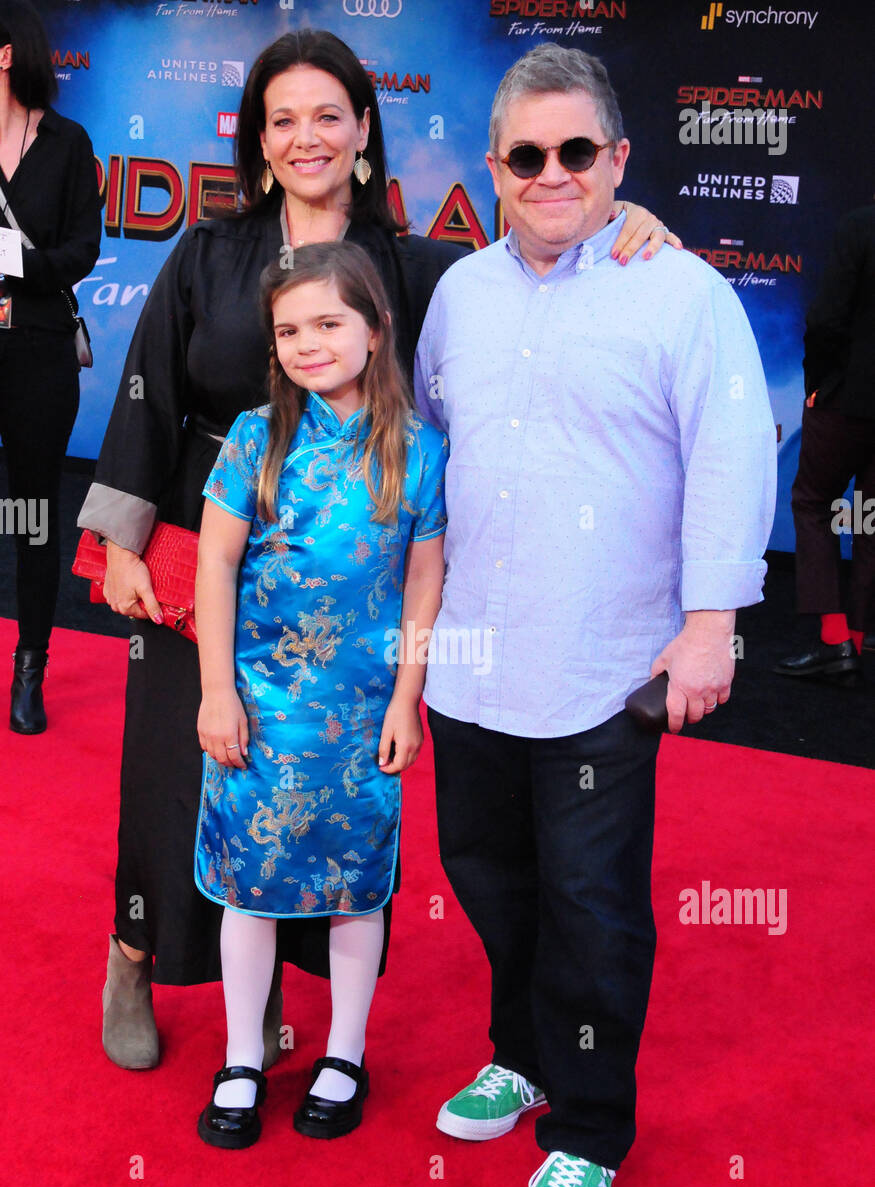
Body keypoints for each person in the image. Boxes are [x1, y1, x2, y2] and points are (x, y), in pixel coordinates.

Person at [75, 28, 675, 1075]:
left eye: (326, 116)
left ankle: (254, 997)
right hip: (209, 561)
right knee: (182, 771)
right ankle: (135, 949)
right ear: (257, 144)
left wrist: (619, 220)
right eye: (281, 120)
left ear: (362, 131)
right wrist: (118, 539)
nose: (304, 138)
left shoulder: (419, 266)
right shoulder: (208, 254)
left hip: (347, 590)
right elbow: (147, 393)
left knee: (314, 793)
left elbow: (535, 254)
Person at [414, 43, 776, 1187]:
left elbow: (732, 458)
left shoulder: (680, 292)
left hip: (604, 671)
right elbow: (427, 444)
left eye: (578, 150)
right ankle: (519, 1055)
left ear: (618, 159)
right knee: (484, 873)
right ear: (496, 169)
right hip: (470, 663)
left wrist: (710, 623)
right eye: (528, 154)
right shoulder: (459, 292)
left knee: (592, 905)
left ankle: (585, 1130)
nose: (553, 172)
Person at [194, 241, 447, 1145]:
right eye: (288, 330)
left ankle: (344, 1051)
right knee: (246, 888)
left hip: (362, 716)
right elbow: (215, 566)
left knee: (356, 890)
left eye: (329, 323)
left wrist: (406, 698)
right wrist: (216, 690)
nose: (308, 344)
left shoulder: (419, 452)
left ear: (375, 331)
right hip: (259, 712)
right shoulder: (256, 437)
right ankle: (240, 1057)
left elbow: (424, 585)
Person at [0, 0, 100, 733]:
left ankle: (30, 662)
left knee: (33, 511)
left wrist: (9, 259)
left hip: (36, 350)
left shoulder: (67, 144)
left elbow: (79, 253)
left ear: (7, 54)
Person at [775, 202, 875, 686]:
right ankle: (856, 640)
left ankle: (835, 642)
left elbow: (828, 317)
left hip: (847, 397)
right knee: (870, 518)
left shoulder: (861, 223)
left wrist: (819, 380)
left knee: (814, 504)